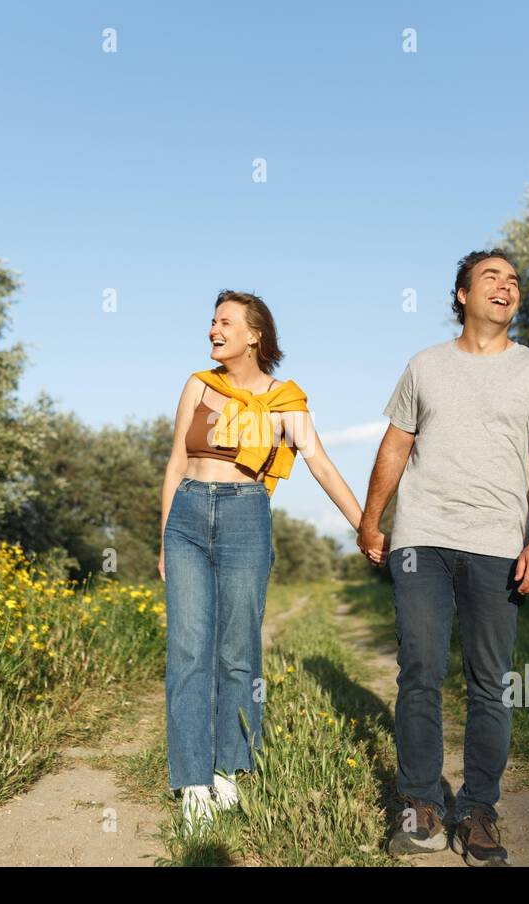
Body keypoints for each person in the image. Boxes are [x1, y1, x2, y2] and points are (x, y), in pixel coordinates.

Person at [357, 249, 529, 865]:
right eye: (491, 278)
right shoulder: (424, 366)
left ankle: (478, 809)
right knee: (420, 670)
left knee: (490, 684)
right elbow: (395, 446)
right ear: (461, 294)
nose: (505, 287)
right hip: (421, 540)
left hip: (498, 548)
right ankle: (421, 803)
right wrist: (372, 521)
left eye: (513, 281)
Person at [159, 289, 377, 832]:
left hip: (245, 517)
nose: (213, 329)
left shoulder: (284, 400)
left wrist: (364, 524)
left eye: (225, 322)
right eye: (211, 321)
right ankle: (192, 782)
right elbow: (175, 462)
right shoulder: (198, 385)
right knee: (187, 648)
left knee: (237, 649)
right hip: (186, 515)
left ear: (255, 334)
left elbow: (322, 465)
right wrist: (163, 538)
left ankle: (230, 766)